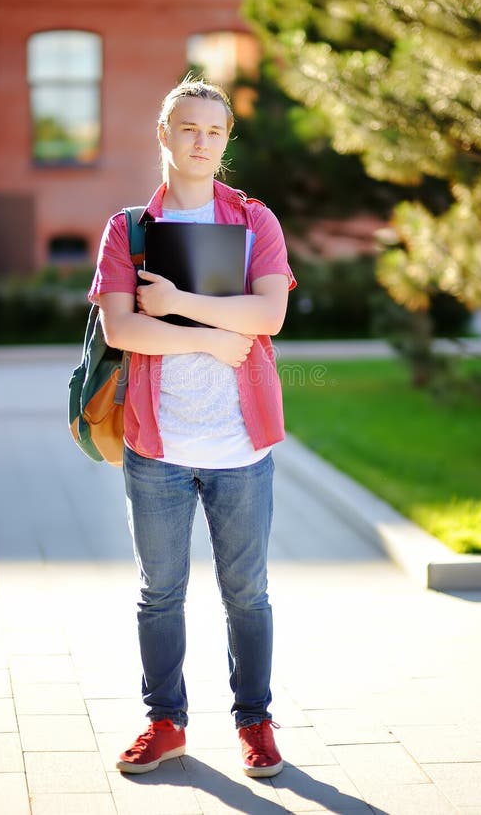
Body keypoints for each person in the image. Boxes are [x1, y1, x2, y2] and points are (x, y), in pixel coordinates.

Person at [89, 76, 296, 777]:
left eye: (214, 131)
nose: (201, 141)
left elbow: (267, 318)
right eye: (187, 128)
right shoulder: (130, 230)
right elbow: (121, 326)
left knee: (247, 594)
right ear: (164, 135)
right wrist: (210, 333)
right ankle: (165, 722)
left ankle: (255, 723)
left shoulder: (252, 222)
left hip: (240, 446)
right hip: (158, 446)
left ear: (225, 141)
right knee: (159, 594)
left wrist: (175, 306)